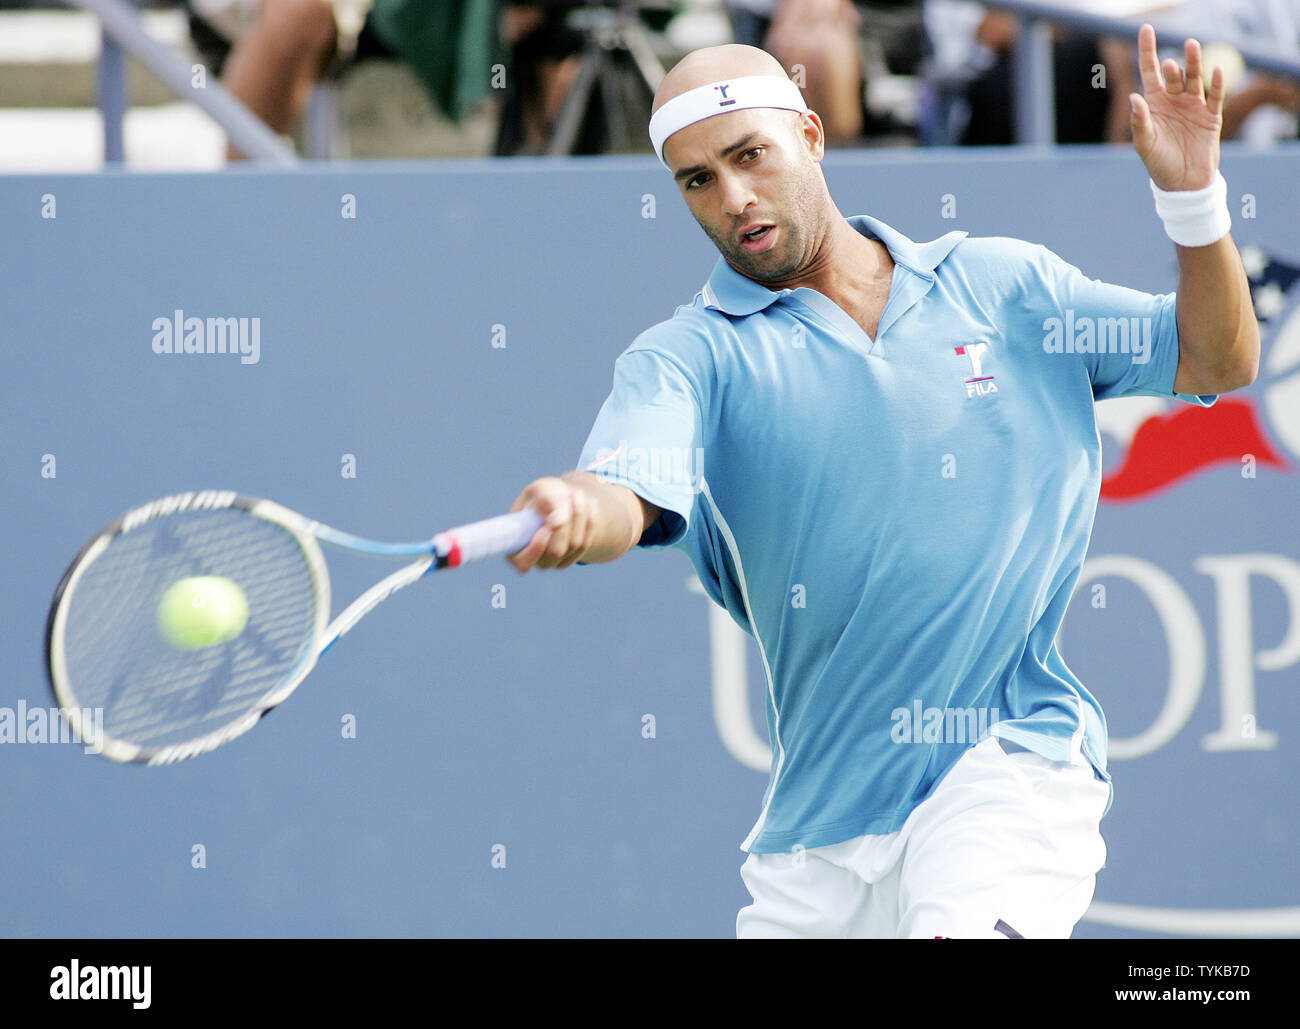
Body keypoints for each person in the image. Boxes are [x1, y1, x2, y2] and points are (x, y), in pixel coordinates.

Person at [505, 26, 1259, 937]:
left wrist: (1194, 205)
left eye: (751, 156)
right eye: (698, 179)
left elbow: (1216, 356)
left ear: (812, 137)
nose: (734, 197)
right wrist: (582, 508)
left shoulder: (1002, 284)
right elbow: (628, 493)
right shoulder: (685, 359)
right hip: (816, 845)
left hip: (1005, 764)